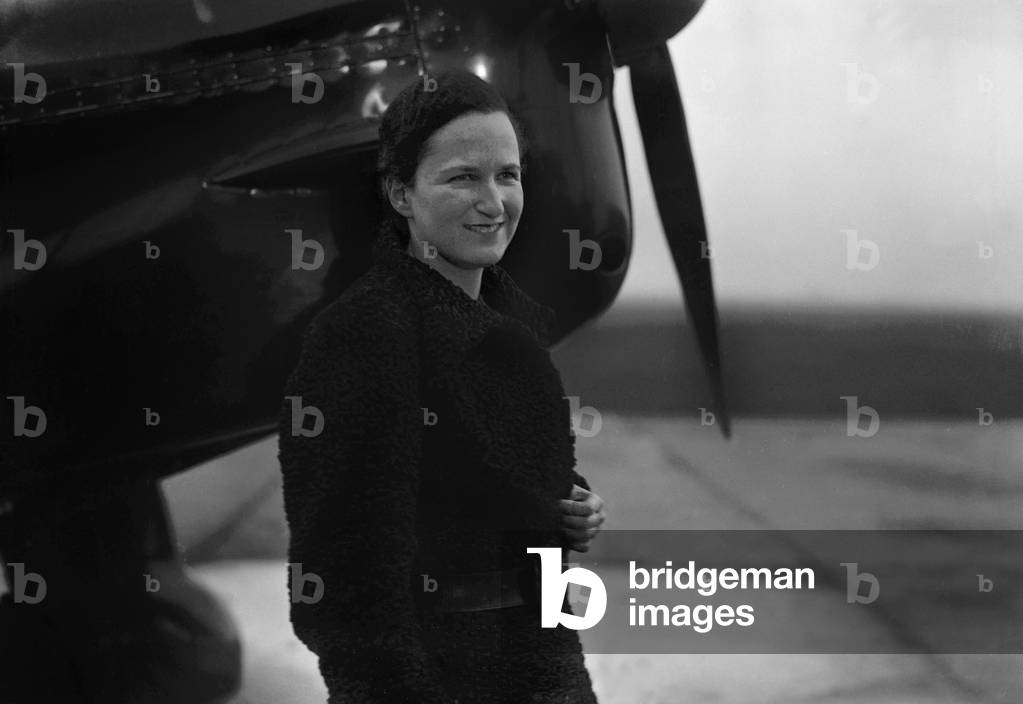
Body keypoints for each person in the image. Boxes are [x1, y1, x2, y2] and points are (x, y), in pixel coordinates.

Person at [278, 69, 606, 704]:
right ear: (401, 194)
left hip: (541, 656)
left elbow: (480, 477)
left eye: (507, 175)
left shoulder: (509, 324)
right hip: (440, 680)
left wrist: (568, 507)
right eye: (462, 177)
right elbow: (338, 570)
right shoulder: (365, 335)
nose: (494, 202)